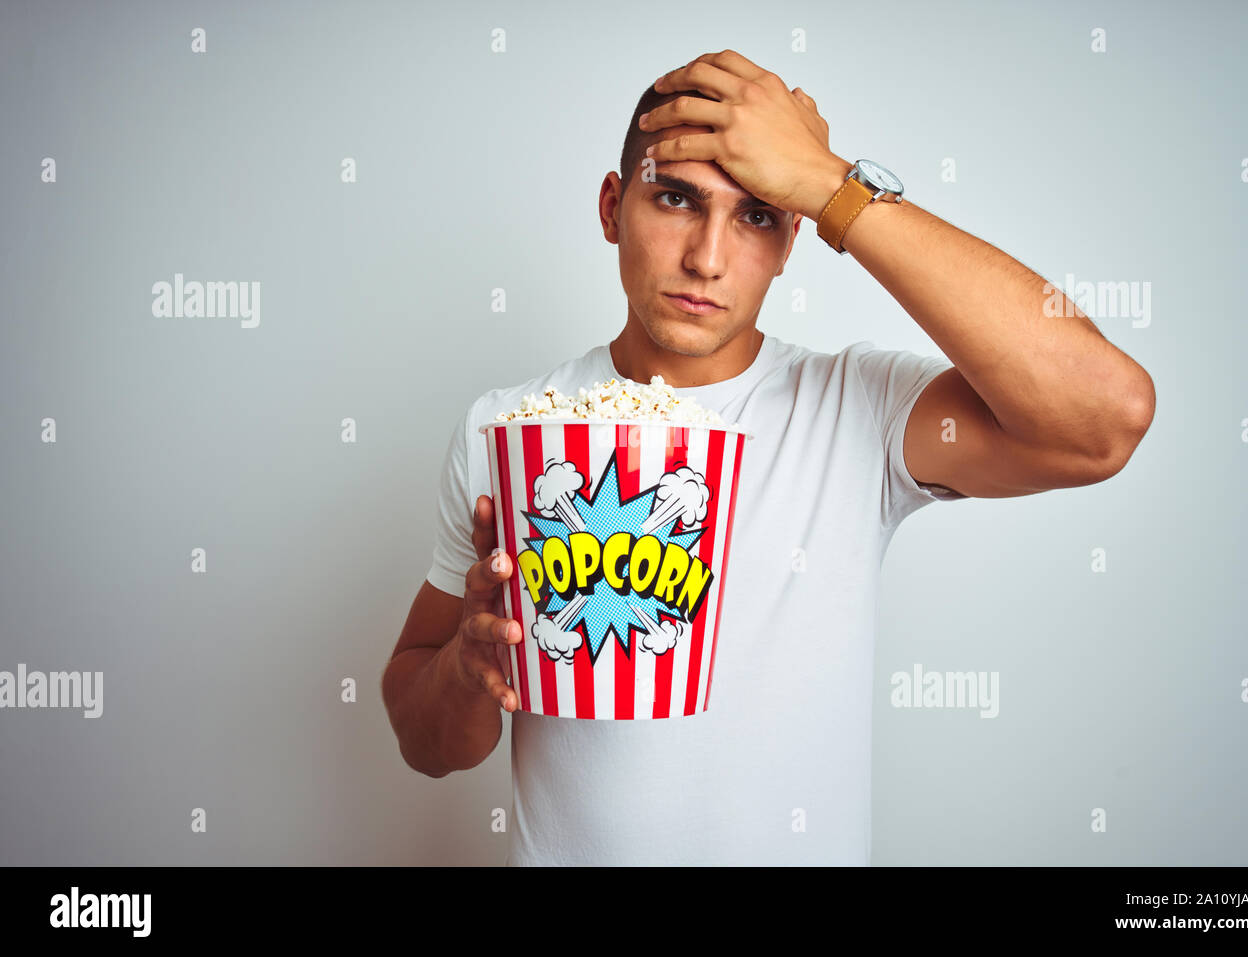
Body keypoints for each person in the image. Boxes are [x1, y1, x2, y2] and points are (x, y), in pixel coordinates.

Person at [381, 50, 1155, 865]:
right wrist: (466, 672)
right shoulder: (506, 429)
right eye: (675, 198)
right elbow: (426, 745)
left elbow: (1106, 419)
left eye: (755, 215)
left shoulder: (859, 408)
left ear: (791, 240)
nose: (707, 258)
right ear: (613, 206)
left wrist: (831, 185)